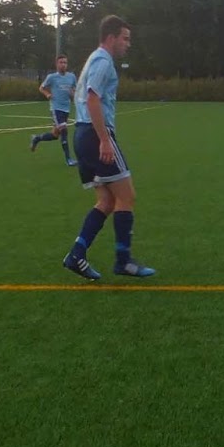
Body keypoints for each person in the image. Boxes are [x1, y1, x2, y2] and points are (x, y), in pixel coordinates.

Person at [62, 15, 155, 280]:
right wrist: (104, 139)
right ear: (111, 37)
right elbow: (93, 99)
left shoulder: (93, 59)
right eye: (125, 38)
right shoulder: (103, 61)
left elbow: (84, 98)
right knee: (127, 196)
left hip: (83, 135)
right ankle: (123, 261)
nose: (128, 44)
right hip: (94, 135)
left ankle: (76, 255)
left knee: (106, 201)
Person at [31, 55, 77, 165]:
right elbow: (41, 88)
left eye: (65, 62)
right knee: (64, 130)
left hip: (66, 108)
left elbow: (73, 90)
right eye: (61, 62)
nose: (63, 64)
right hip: (56, 108)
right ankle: (68, 159)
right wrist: (47, 94)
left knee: (55, 135)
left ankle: (37, 138)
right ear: (57, 64)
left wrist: (74, 96)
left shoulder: (71, 77)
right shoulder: (52, 77)